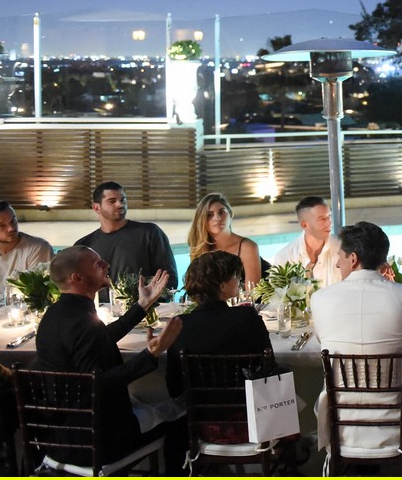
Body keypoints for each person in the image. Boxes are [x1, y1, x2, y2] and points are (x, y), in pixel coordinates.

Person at [34, 246, 181, 464]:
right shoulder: (81, 321)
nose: (107, 265)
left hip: (62, 436)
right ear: (77, 278)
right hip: (97, 442)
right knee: (178, 416)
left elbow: (98, 339)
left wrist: (142, 305)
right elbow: (100, 383)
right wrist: (151, 354)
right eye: (98, 264)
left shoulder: (56, 313)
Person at [311, 222, 402, 448]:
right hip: (396, 421)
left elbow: (322, 339)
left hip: (341, 423)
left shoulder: (320, 299)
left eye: (339, 256)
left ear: (353, 259)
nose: (337, 263)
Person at [166, 250, 271, 398]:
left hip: (197, 407)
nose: (240, 279)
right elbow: (269, 366)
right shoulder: (247, 317)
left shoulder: (179, 325)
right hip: (246, 403)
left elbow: (174, 386)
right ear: (222, 287)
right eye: (235, 276)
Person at [74, 181, 178, 301]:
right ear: (96, 208)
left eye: (123, 200)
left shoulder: (149, 233)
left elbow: (168, 278)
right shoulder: (84, 245)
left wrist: (149, 305)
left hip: (145, 309)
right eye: (112, 201)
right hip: (99, 310)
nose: (120, 204)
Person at [186, 193, 263, 286]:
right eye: (209, 215)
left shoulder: (248, 247)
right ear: (202, 220)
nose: (217, 218)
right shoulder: (199, 247)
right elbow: (197, 287)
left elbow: (252, 291)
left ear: (230, 214)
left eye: (222, 212)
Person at [271, 196, 341, 289]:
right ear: (304, 225)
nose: (329, 222)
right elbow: (276, 293)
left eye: (329, 216)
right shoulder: (285, 257)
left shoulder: (342, 249)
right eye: (322, 219)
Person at [0, 200, 52, 292]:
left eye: (13, 221)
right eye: (2, 226)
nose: (11, 228)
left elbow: (37, 292)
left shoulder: (38, 248)